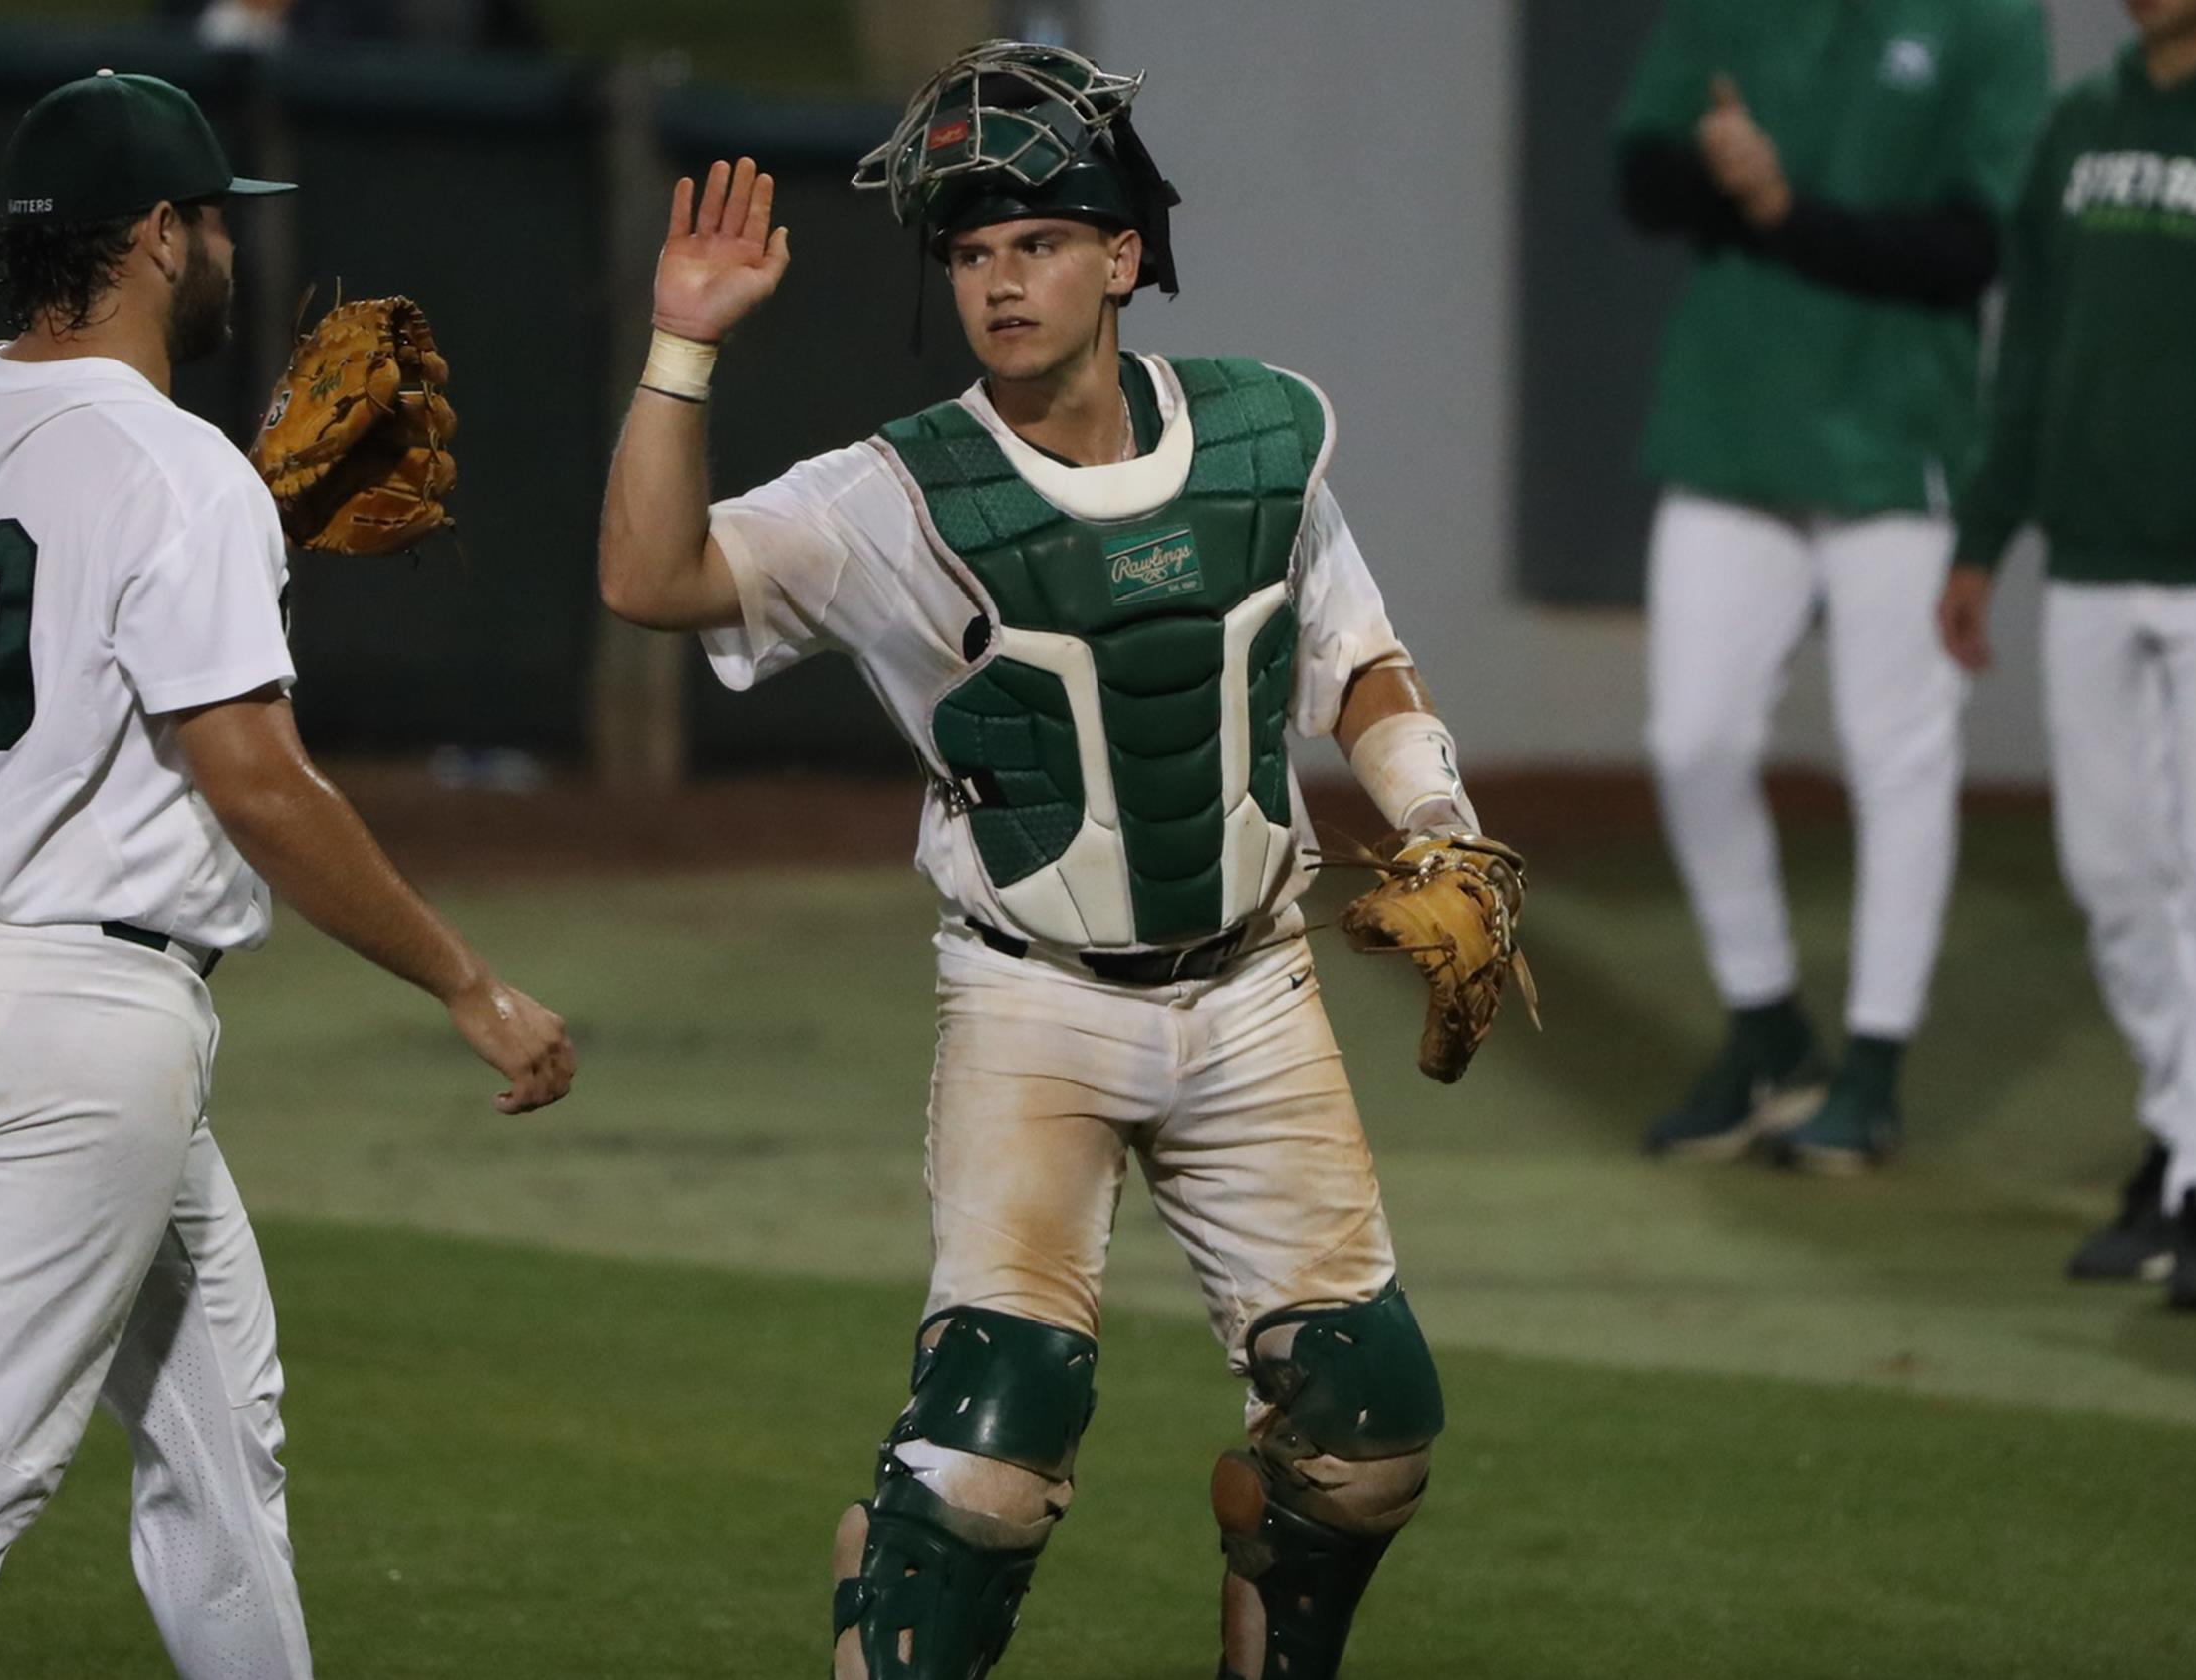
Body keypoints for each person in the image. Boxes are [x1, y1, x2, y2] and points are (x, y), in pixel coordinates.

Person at [596, 41, 1511, 1680]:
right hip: (1034, 1009)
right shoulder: (896, 494)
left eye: (1032, 242)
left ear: (1123, 255)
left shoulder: (1258, 436)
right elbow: (653, 574)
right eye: (967, 253)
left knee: (1370, 1435)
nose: (998, 282)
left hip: (1254, 997)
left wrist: (1436, 816)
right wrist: (682, 344)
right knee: (989, 1464)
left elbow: (1359, 658)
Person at [0, 70, 574, 1679]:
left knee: (220, 1436)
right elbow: (258, 786)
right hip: (73, 1031)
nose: (232, 251)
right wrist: (467, 980)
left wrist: (238, 530)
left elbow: (84, 626)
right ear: (158, 234)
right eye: (218, 223)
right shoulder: (182, 473)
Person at [1941, 0, 2196, 1311]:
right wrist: (1983, 534)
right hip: (2094, 554)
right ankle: (2192, 1130)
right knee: (2113, 865)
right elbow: (2032, 357)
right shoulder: (2081, 127)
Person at [1614, 0, 2052, 1171]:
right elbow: (1640, 180)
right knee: (1692, 738)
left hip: (1895, 437)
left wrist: (1779, 209)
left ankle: (1873, 1066)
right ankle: (1766, 1027)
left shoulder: (1992, 23)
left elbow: (1973, 246)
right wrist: (1715, 176)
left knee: (1895, 752)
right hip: (1731, 424)